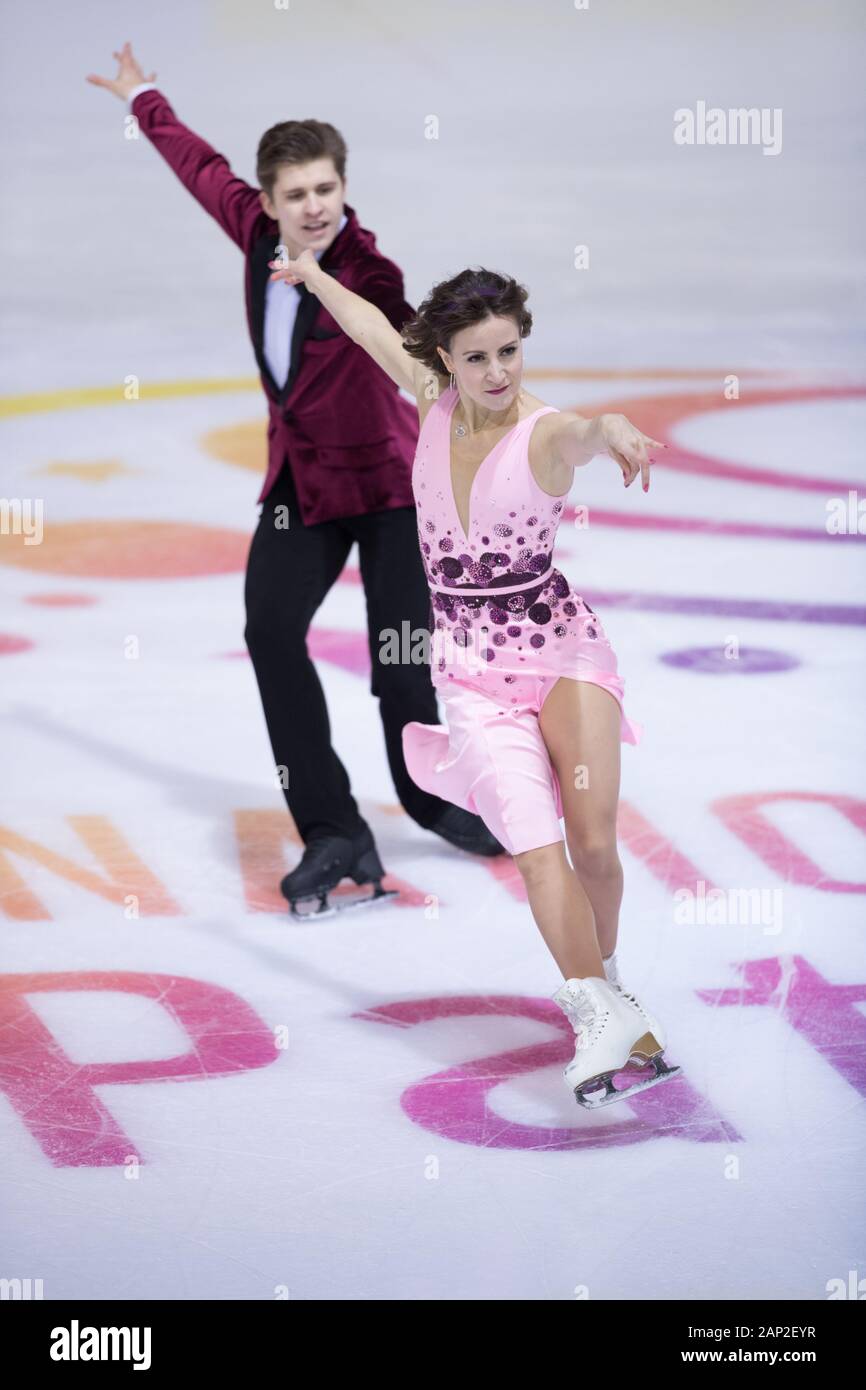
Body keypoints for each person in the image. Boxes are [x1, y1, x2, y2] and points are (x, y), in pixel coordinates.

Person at [86, 43, 503, 917]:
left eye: (328, 189)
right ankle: (333, 829)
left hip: (391, 490)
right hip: (303, 485)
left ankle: (435, 801)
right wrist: (143, 97)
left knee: (400, 672)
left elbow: (401, 334)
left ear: (343, 189)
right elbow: (197, 168)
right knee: (271, 632)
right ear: (269, 202)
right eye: (298, 194)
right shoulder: (252, 234)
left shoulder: (369, 273)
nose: (316, 208)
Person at [267, 247, 681, 1108]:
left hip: (562, 652)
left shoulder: (546, 432)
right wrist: (312, 277)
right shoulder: (430, 402)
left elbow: (585, 430)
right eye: (477, 355)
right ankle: (599, 1011)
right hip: (471, 675)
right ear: (445, 361)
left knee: (594, 843)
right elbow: (373, 327)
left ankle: (605, 989)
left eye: (509, 350)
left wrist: (612, 430)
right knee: (536, 852)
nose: (496, 371)